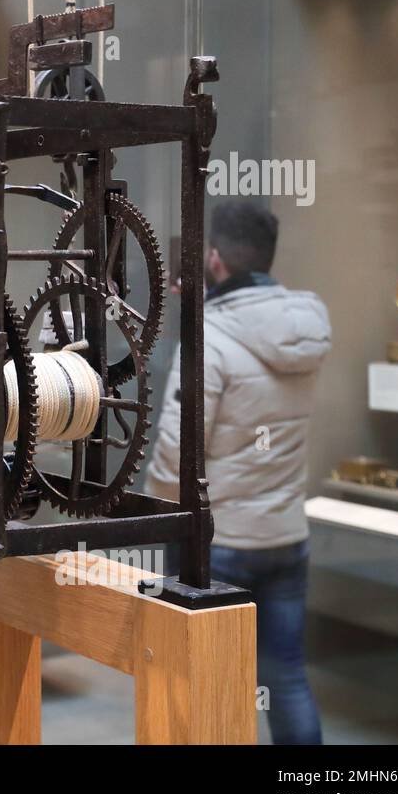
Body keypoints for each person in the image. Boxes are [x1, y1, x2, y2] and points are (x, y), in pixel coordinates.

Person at [146, 199, 331, 745]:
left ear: (216, 258)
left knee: (208, 689)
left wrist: (153, 516)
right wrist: (212, 306)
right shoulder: (304, 328)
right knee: (287, 678)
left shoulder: (209, 337)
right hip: (285, 538)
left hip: (218, 544)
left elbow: (176, 460)